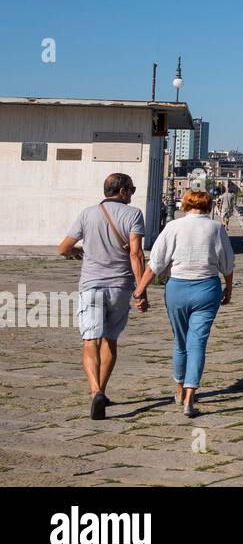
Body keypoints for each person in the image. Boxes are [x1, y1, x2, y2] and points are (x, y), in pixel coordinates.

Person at [132, 189, 234, 417]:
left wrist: (140, 289)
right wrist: (229, 288)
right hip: (207, 288)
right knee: (198, 342)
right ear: (208, 206)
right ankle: (190, 396)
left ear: (186, 205)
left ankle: (179, 388)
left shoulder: (173, 227)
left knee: (180, 341)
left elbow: (156, 262)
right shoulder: (216, 228)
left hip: (177, 288)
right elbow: (227, 263)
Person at [58, 173, 147, 420]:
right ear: (122, 191)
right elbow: (136, 255)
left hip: (91, 285)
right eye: (132, 189)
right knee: (110, 339)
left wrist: (77, 251)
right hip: (120, 286)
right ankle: (103, 391)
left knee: (90, 341)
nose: (133, 193)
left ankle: (94, 391)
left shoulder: (88, 213)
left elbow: (63, 248)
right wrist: (141, 289)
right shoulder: (134, 215)